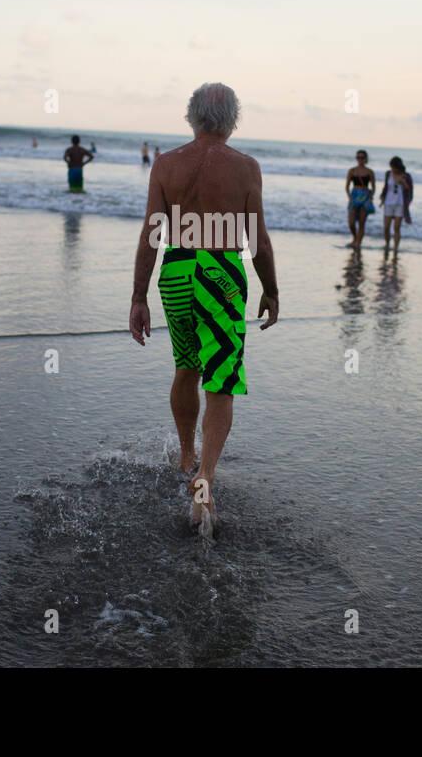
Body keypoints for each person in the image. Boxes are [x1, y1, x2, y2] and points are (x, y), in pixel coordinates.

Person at [129, 82, 278, 538]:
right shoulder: (245, 168)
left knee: (186, 367)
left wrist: (139, 296)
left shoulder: (167, 164)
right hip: (220, 274)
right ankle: (205, 478)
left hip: (176, 269)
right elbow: (257, 239)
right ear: (233, 121)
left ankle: (185, 454)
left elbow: (152, 233)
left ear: (192, 118)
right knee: (222, 379)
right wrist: (270, 289)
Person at [378, 156, 413, 255]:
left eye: (395, 167)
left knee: (397, 227)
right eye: (392, 167)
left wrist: (403, 183)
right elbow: (386, 187)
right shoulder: (388, 174)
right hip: (388, 202)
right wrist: (382, 196)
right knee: (386, 227)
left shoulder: (406, 176)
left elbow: (409, 190)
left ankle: (396, 247)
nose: (393, 169)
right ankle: (387, 243)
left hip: (400, 204)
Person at [345, 149, 375, 250]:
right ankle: (354, 237)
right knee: (351, 222)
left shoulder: (369, 172)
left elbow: (373, 187)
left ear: (366, 159)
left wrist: (370, 198)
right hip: (355, 195)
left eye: (362, 157)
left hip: (365, 195)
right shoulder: (352, 171)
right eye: (358, 157)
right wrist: (349, 197)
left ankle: (358, 243)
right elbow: (347, 186)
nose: (360, 159)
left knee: (362, 222)